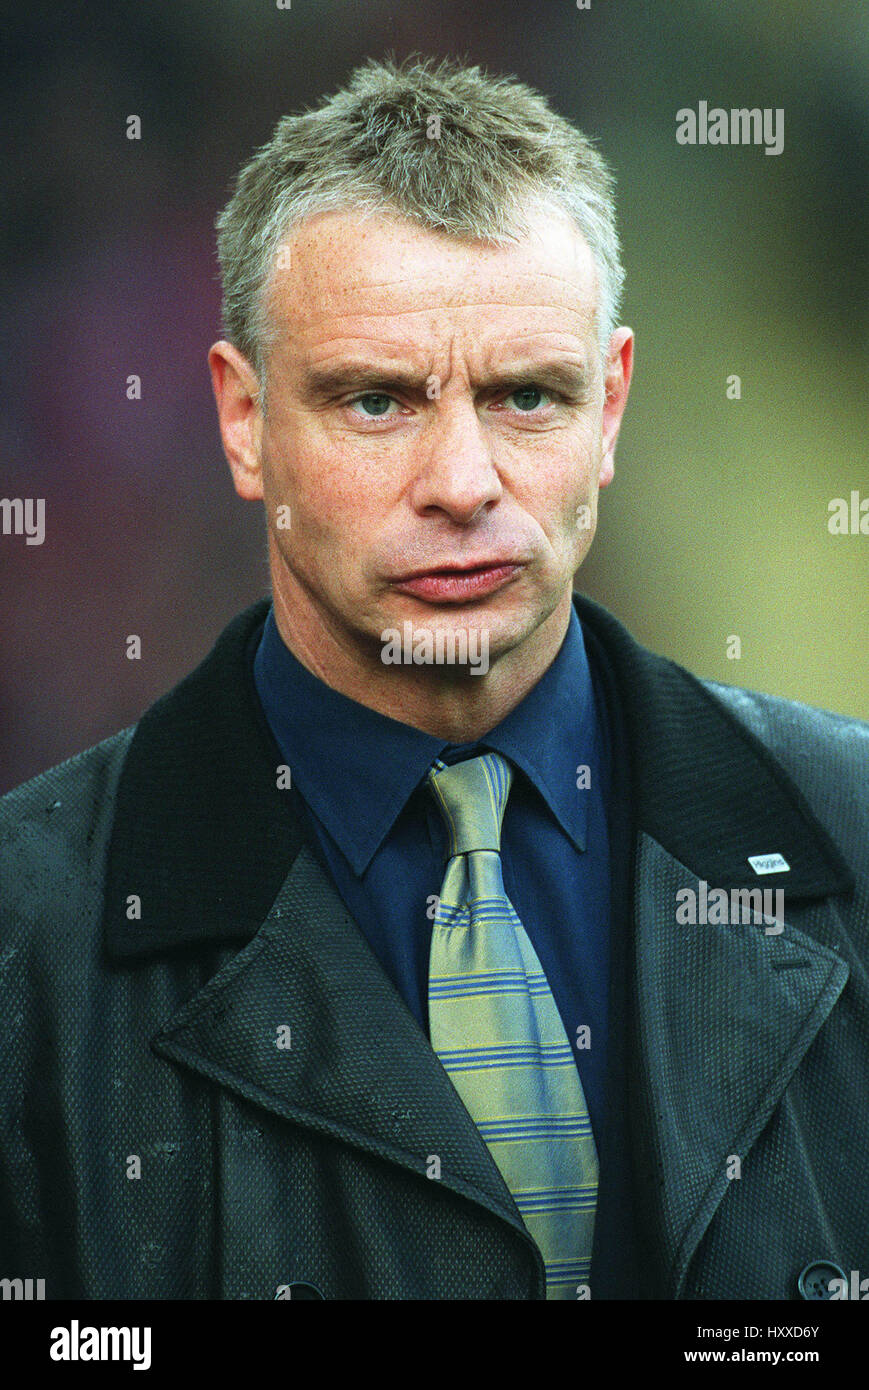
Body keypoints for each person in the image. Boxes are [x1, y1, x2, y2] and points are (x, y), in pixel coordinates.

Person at [1, 55, 866, 1302]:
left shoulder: (846, 831)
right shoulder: (30, 938)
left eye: (527, 395)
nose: (461, 482)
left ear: (610, 406)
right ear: (243, 422)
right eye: (376, 401)